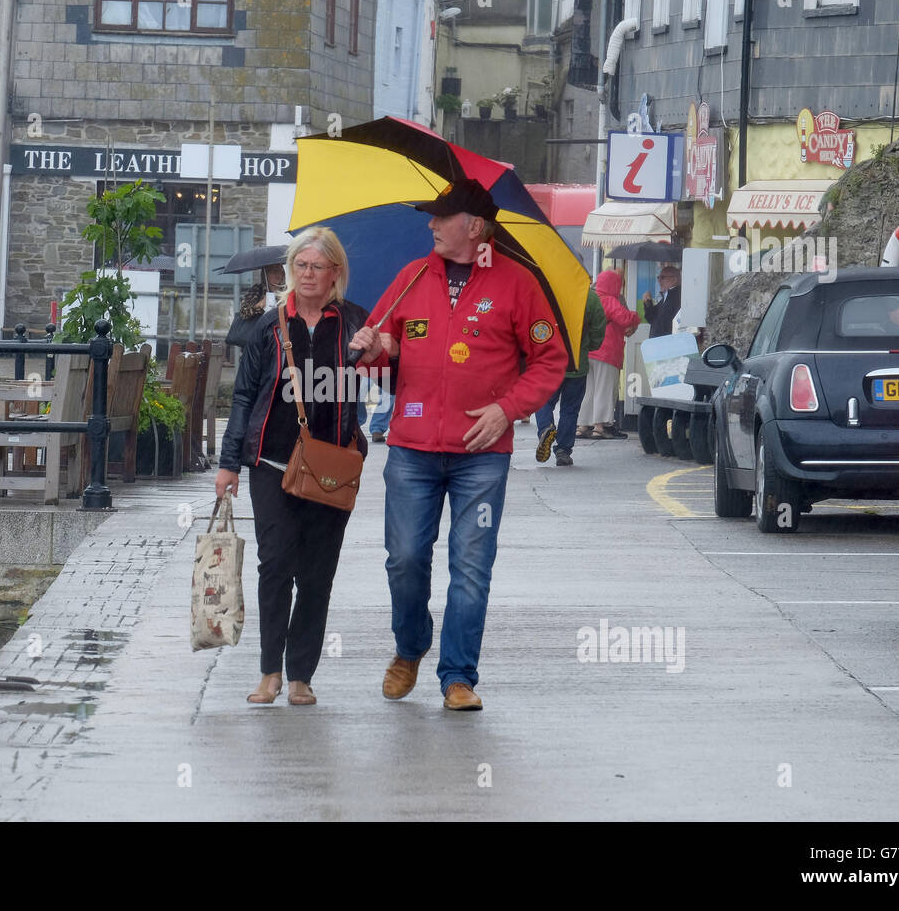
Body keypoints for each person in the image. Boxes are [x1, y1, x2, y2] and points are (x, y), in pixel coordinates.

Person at [350, 178, 568, 711]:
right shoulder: (411, 277)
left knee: (471, 565)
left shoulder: (518, 284)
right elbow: (384, 349)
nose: (431, 225)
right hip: (412, 448)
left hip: (482, 458)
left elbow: (549, 360)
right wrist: (373, 347)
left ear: (475, 226)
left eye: (442, 217)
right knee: (404, 560)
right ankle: (409, 647)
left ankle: (458, 676)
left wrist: (507, 410)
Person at [215, 227, 371, 707]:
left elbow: (388, 378)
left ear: (335, 274)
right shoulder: (267, 326)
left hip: (331, 465)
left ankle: (302, 675)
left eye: (317, 266)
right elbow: (244, 396)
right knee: (275, 564)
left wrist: (377, 352)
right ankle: (270, 672)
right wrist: (228, 463)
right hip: (270, 462)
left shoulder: (353, 324)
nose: (307, 274)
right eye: (300, 266)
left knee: (317, 573)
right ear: (290, 271)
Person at [535, 288, 606, 466]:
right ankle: (563, 450)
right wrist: (589, 346)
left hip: (550, 361)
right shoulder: (589, 296)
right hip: (576, 363)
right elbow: (598, 326)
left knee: (541, 400)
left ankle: (545, 428)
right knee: (570, 409)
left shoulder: (546, 290)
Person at [578, 267, 639, 440]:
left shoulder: (589, 298)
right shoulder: (610, 301)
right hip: (607, 352)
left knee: (588, 390)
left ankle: (583, 426)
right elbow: (625, 318)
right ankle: (600, 426)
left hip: (588, 352)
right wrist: (636, 317)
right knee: (604, 389)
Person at [225, 262, 288, 349]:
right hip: (257, 343)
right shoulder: (257, 290)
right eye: (272, 271)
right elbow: (244, 312)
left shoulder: (287, 293)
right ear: (265, 274)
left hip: (281, 342)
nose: (277, 273)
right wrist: (261, 304)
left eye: (279, 270)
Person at [642, 264, 681, 338]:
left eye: (662, 277)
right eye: (658, 277)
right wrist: (648, 303)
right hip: (659, 342)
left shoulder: (677, 297)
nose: (659, 281)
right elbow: (651, 318)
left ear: (674, 279)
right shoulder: (666, 296)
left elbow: (665, 321)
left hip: (666, 342)